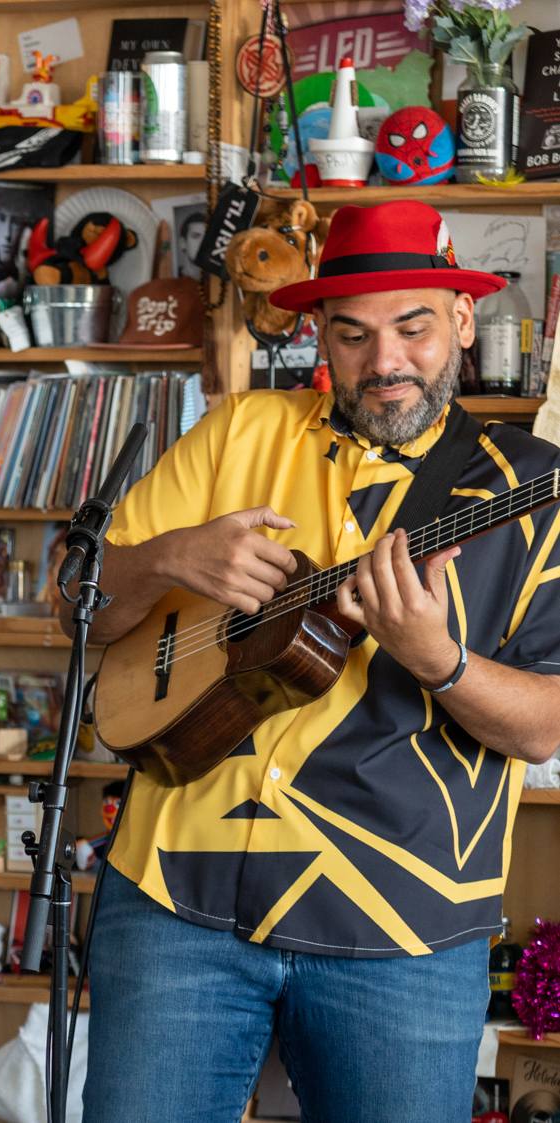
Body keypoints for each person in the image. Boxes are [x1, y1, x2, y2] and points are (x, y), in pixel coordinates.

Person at [74, 200, 560, 1122]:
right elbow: (81, 608)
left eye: (412, 327)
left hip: (398, 923)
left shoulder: (531, 486)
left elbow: (542, 725)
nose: (385, 361)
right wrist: (165, 558)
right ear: (318, 338)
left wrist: (435, 658)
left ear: (460, 321)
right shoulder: (237, 432)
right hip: (171, 891)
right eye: (352, 334)